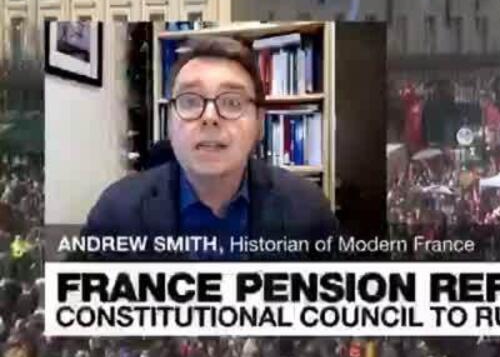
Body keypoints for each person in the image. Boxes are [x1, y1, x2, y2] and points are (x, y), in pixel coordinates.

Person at [83, 37, 340, 259]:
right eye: (190, 100)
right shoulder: (116, 211)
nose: (209, 116)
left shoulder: (308, 209)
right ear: (170, 122)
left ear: (260, 123)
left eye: (231, 101)